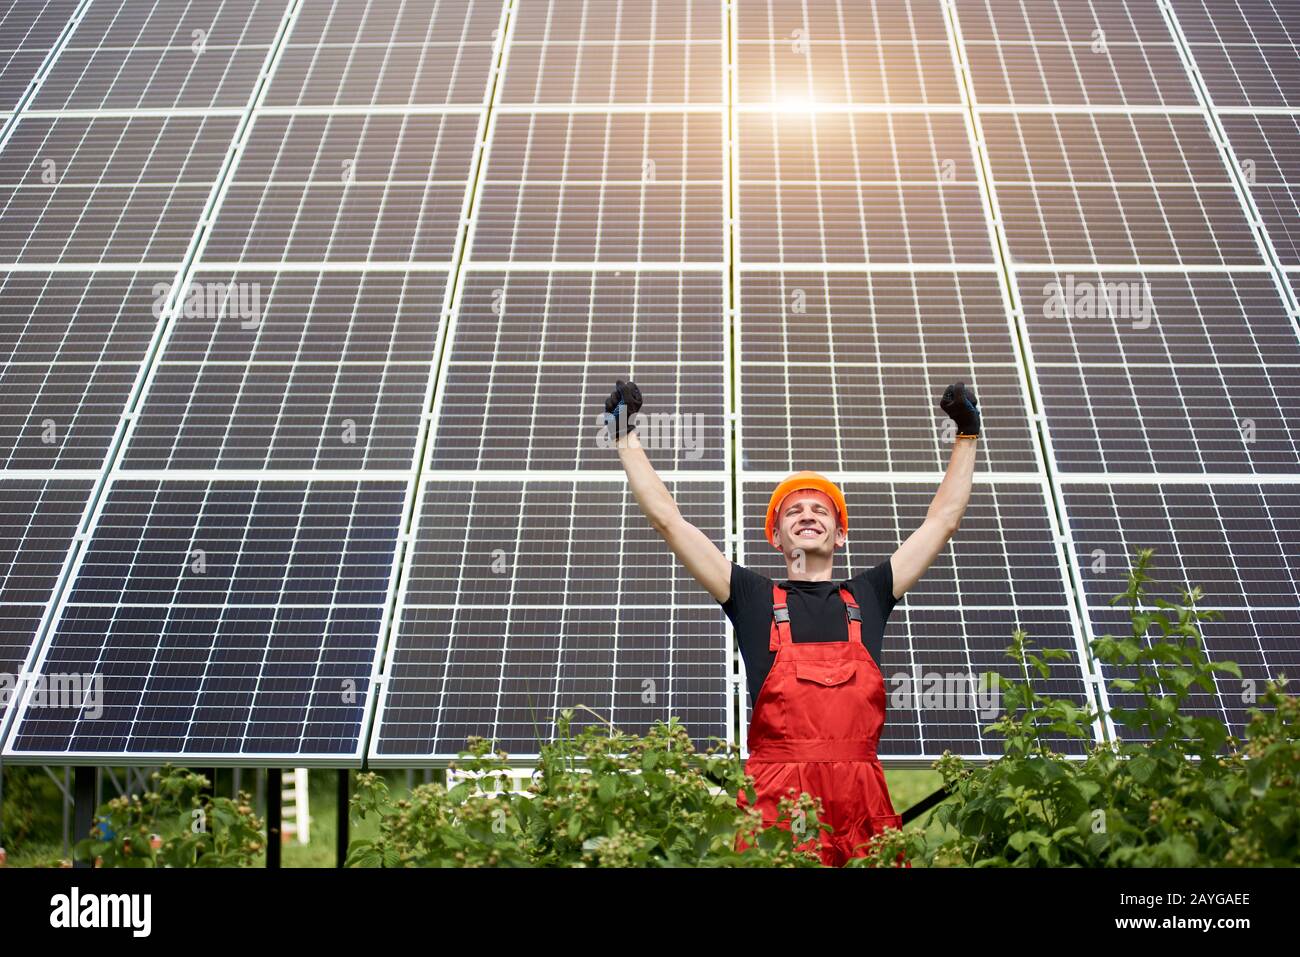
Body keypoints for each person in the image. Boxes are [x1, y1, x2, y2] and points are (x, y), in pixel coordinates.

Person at [605, 379, 980, 866]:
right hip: (777, 797)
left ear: (839, 534)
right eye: (794, 511)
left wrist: (967, 435)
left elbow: (941, 521)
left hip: (861, 795)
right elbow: (670, 521)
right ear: (777, 537)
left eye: (821, 510)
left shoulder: (868, 595)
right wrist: (624, 438)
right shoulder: (750, 596)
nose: (808, 515)